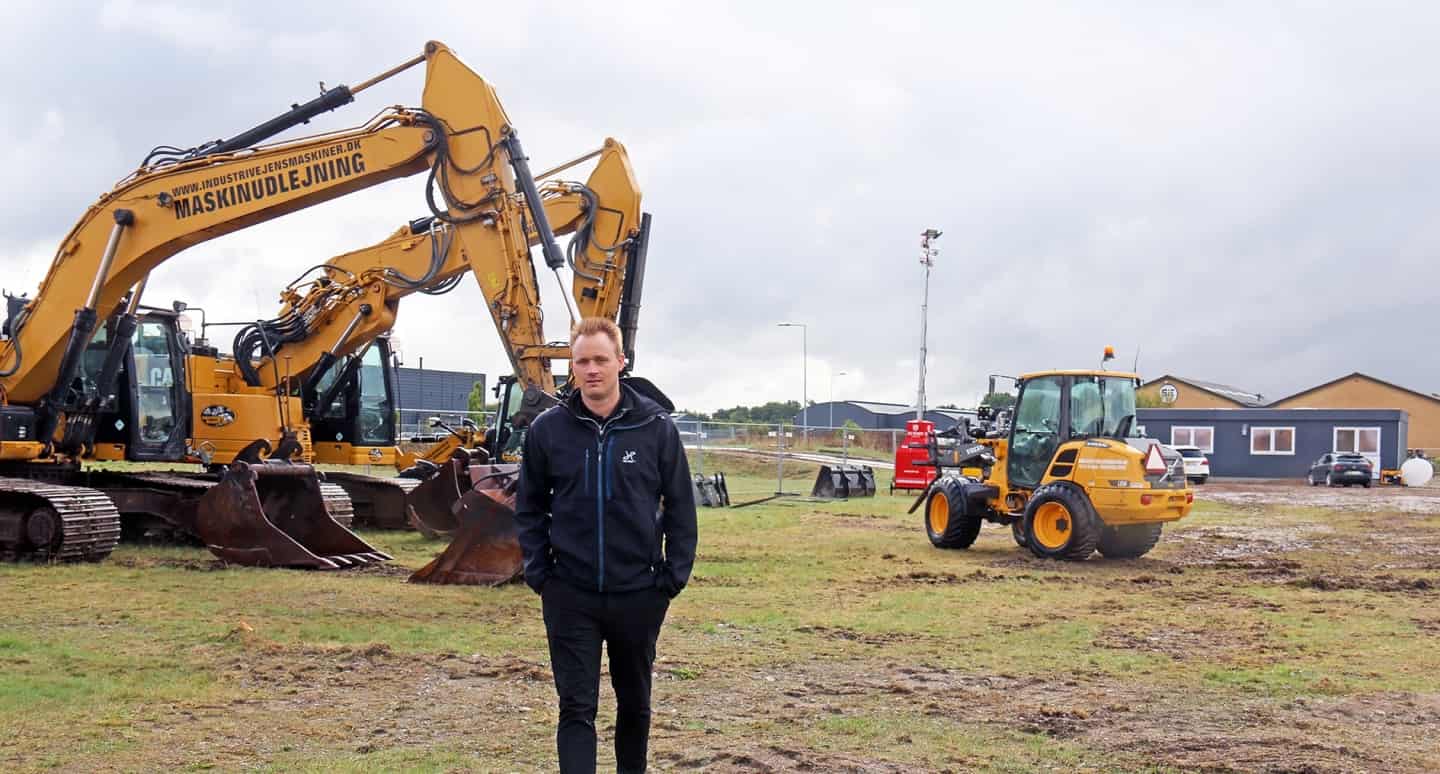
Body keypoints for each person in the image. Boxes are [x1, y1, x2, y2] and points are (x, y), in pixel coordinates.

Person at [514, 317, 697, 773]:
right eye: (582, 361)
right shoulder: (547, 431)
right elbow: (530, 507)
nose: (592, 369)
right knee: (576, 707)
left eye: (600, 359)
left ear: (621, 361)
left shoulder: (656, 429)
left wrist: (670, 580)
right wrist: (541, 575)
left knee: (634, 705)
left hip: (638, 593)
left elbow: (680, 507)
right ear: (571, 369)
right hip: (570, 594)